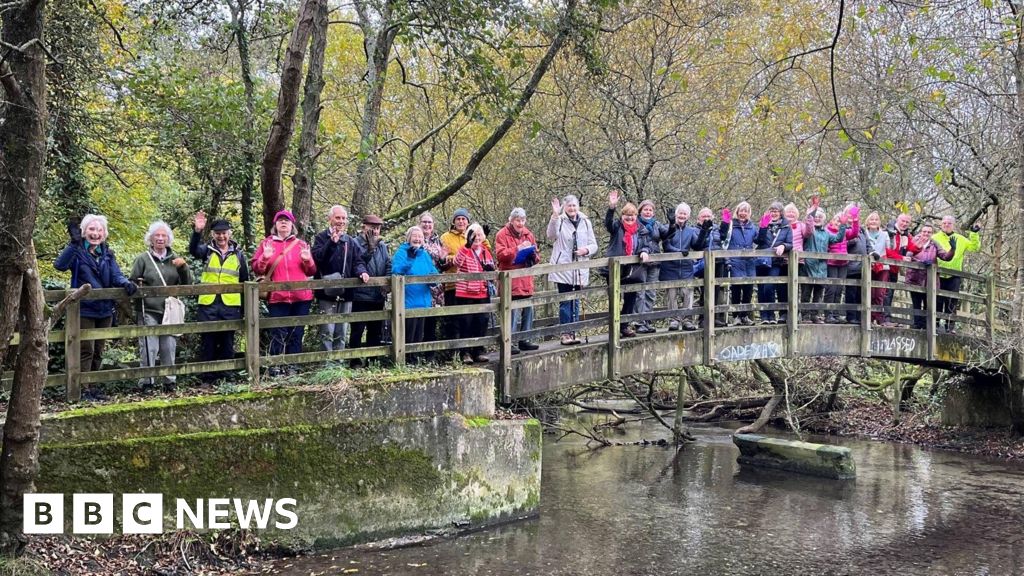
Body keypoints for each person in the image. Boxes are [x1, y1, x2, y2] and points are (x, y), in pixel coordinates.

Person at [54, 214, 138, 400]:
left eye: (100, 230)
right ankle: (82, 388)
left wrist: (125, 283)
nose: (96, 233)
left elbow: (116, 275)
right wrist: (73, 244)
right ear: (84, 232)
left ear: (104, 234)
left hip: (105, 309)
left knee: (99, 350)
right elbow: (59, 266)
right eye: (92, 229)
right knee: (86, 349)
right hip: (84, 309)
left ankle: (93, 386)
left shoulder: (107, 253)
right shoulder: (77, 251)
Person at [251, 210, 316, 375]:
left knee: (297, 332)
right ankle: (275, 366)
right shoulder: (267, 243)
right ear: (275, 225)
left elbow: (311, 271)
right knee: (278, 331)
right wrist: (265, 257)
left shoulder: (301, 244)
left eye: (287, 221)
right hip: (278, 297)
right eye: (280, 221)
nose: (283, 223)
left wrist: (308, 259)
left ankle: (292, 366)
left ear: (292, 224)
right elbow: (256, 269)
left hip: (301, 297)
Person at [130, 220, 193, 389]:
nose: (160, 238)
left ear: (168, 239)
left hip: (169, 309)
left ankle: (169, 381)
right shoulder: (142, 259)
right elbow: (132, 282)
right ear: (150, 238)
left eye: (163, 235)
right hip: (148, 309)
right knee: (149, 347)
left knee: (168, 346)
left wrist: (183, 267)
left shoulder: (176, 259)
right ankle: (147, 382)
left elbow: (187, 285)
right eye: (156, 235)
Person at [189, 212, 249, 384]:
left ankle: (226, 375)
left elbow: (244, 281)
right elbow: (193, 250)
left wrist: (243, 309)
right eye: (218, 233)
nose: (221, 236)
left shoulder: (238, 254)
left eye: (224, 233)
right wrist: (197, 232)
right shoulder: (207, 251)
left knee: (227, 341)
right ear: (213, 235)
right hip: (208, 303)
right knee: (208, 340)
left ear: (229, 234)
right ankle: (207, 376)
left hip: (230, 304)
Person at [311, 205, 369, 353]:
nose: (341, 221)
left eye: (343, 218)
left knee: (342, 329)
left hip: (346, 291)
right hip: (326, 290)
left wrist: (362, 272)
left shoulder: (350, 240)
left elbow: (358, 261)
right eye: (338, 217)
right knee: (327, 329)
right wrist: (331, 243)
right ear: (330, 219)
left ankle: (339, 361)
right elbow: (318, 259)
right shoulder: (320, 238)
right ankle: (327, 363)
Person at [547, 195, 598, 345]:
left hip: (580, 267)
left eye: (574, 206)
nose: (572, 208)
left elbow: (594, 245)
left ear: (578, 207)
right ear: (564, 207)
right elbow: (551, 235)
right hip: (563, 267)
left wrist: (586, 250)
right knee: (565, 301)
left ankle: (573, 331)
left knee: (575, 301)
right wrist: (555, 215)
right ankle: (565, 334)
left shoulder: (586, 222)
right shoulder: (560, 220)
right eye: (569, 206)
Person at [605, 190, 656, 337]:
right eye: (627, 215)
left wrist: (645, 251)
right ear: (622, 216)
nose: (630, 218)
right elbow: (608, 223)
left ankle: (624, 326)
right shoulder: (617, 227)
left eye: (632, 215)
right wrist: (611, 207)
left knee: (631, 298)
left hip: (633, 269)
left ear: (636, 216)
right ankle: (614, 328)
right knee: (615, 298)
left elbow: (647, 244)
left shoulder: (641, 230)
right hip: (616, 268)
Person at [495, 207, 541, 354]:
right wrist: (517, 248)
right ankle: (510, 342)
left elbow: (537, 255)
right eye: (517, 220)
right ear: (511, 220)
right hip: (510, 280)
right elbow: (501, 255)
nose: (520, 223)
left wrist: (533, 255)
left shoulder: (529, 234)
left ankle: (525, 339)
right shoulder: (502, 234)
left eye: (522, 220)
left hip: (526, 278)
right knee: (512, 311)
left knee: (529, 308)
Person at [659, 203, 712, 331]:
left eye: (684, 213)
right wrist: (679, 251)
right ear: (676, 214)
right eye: (680, 213)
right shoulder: (668, 228)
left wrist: (704, 231)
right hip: (670, 267)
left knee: (687, 293)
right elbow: (666, 245)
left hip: (686, 267)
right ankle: (674, 320)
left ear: (688, 216)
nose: (682, 216)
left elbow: (697, 245)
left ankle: (687, 320)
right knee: (672, 295)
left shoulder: (691, 231)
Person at [391, 225, 439, 357]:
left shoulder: (424, 255)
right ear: (408, 238)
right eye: (415, 236)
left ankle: (416, 361)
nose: (417, 239)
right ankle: (405, 361)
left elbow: (434, 273)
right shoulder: (402, 252)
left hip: (423, 301)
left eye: (420, 237)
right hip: (408, 302)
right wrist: (410, 259)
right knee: (408, 335)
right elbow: (396, 271)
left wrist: (433, 279)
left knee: (419, 335)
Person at [349, 214, 392, 362]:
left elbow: (388, 264)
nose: (375, 231)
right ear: (364, 227)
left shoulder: (382, 245)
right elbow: (357, 263)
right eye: (372, 227)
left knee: (375, 329)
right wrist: (369, 249)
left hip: (377, 294)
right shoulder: (355, 243)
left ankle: (372, 360)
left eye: (377, 228)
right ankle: (354, 361)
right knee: (357, 329)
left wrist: (386, 284)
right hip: (360, 294)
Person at [801, 198, 849, 323]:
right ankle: (805, 315)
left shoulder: (826, 233)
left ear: (823, 219)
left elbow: (838, 238)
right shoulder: (809, 231)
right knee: (806, 292)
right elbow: (808, 228)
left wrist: (843, 225)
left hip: (821, 267)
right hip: (809, 265)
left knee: (818, 293)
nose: (817, 218)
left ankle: (814, 315)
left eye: (819, 216)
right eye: (815, 216)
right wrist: (811, 213)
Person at [932, 215, 981, 333]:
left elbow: (975, 248)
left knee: (952, 301)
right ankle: (936, 325)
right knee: (937, 300)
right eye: (944, 223)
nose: (946, 225)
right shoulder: (934, 237)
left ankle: (950, 327)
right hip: (937, 274)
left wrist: (974, 234)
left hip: (954, 275)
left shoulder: (960, 239)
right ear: (941, 224)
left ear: (953, 225)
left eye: (949, 223)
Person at [454, 223, 495, 363]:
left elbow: (492, 270)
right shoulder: (464, 250)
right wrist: (466, 246)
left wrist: (490, 271)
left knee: (482, 321)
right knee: (466, 322)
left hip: (482, 292)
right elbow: (457, 262)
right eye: (474, 236)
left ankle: (479, 349)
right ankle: (465, 352)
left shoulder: (485, 251)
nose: (477, 238)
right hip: (465, 292)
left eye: (479, 235)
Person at [904, 224, 955, 329]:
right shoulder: (914, 241)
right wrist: (921, 262)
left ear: (932, 234)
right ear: (921, 232)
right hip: (915, 277)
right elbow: (908, 255)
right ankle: (917, 325)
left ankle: (927, 326)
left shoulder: (934, 244)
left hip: (929, 279)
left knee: (928, 303)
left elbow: (945, 257)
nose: (926, 234)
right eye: (924, 231)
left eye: (929, 232)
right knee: (916, 303)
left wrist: (952, 249)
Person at [719, 201, 758, 325]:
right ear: (737, 211)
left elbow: (760, 240)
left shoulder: (752, 227)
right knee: (736, 288)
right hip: (735, 259)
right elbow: (722, 236)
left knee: (748, 289)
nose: (743, 213)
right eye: (741, 210)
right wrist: (724, 223)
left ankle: (745, 315)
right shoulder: (731, 225)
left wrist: (763, 228)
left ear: (749, 213)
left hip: (749, 261)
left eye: (746, 211)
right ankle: (736, 316)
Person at [754, 202, 793, 324]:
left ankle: (771, 315)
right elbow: (758, 241)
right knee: (761, 288)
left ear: (781, 213)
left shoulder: (786, 227)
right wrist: (763, 227)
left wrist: (783, 245)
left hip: (776, 261)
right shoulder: (764, 224)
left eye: (776, 211)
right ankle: (764, 316)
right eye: (771, 211)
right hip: (762, 260)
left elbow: (790, 243)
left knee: (769, 286)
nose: (773, 213)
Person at [823, 205, 860, 323]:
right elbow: (834, 239)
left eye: (841, 221)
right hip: (832, 263)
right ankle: (828, 314)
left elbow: (854, 233)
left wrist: (855, 220)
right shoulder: (827, 231)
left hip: (843, 264)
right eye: (837, 220)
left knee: (839, 289)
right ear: (831, 221)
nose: (839, 223)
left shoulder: (844, 231)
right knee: (831, 289)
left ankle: (836, 314)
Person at [418, 211, 449, 344]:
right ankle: (415, 352)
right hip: (419, 285)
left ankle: (430, 353)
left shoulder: (438, 240)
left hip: (435, 288)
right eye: (424, 222)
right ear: (419, 223)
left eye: (429, 222)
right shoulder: (414, 238)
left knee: (432, 319)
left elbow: (442, 266)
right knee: (419, 319)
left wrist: (443, 259)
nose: (427, 225)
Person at [633, 199, 662, 333]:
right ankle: (639, 321)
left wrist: (673, 224)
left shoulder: (656, 224)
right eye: (646, 209)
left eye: (650, 210)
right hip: (640, 262)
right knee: (640, 292)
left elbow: (667, 234)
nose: (648, 212)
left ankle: (647, 320)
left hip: (654, 262)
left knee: (651, 292)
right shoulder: (635, 223)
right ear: (640, 211)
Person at [883, 212, 915, 325]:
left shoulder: (906, 236)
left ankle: (887, 317)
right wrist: (901, 257)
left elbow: (912, 247)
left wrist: (919, 245)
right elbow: (885, 250)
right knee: (884, 292)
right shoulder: (888, 232)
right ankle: (883, 318)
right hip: (884, 267)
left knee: (890, 292)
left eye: (907, 222)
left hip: (894, 268)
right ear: (897, 220)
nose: (904, 224)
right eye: (903, 221)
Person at [860, 212, 891, 325]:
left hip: (882, 266)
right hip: (868, 266)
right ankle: (868, 317)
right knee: (869, 292)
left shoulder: (885, 234)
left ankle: (878, 317)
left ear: (879, 222)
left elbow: (889, 249)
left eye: (876, 219)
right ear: (867, 222)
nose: (873, 221)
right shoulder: (863, 233)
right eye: (871, 219)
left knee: (879, 293)